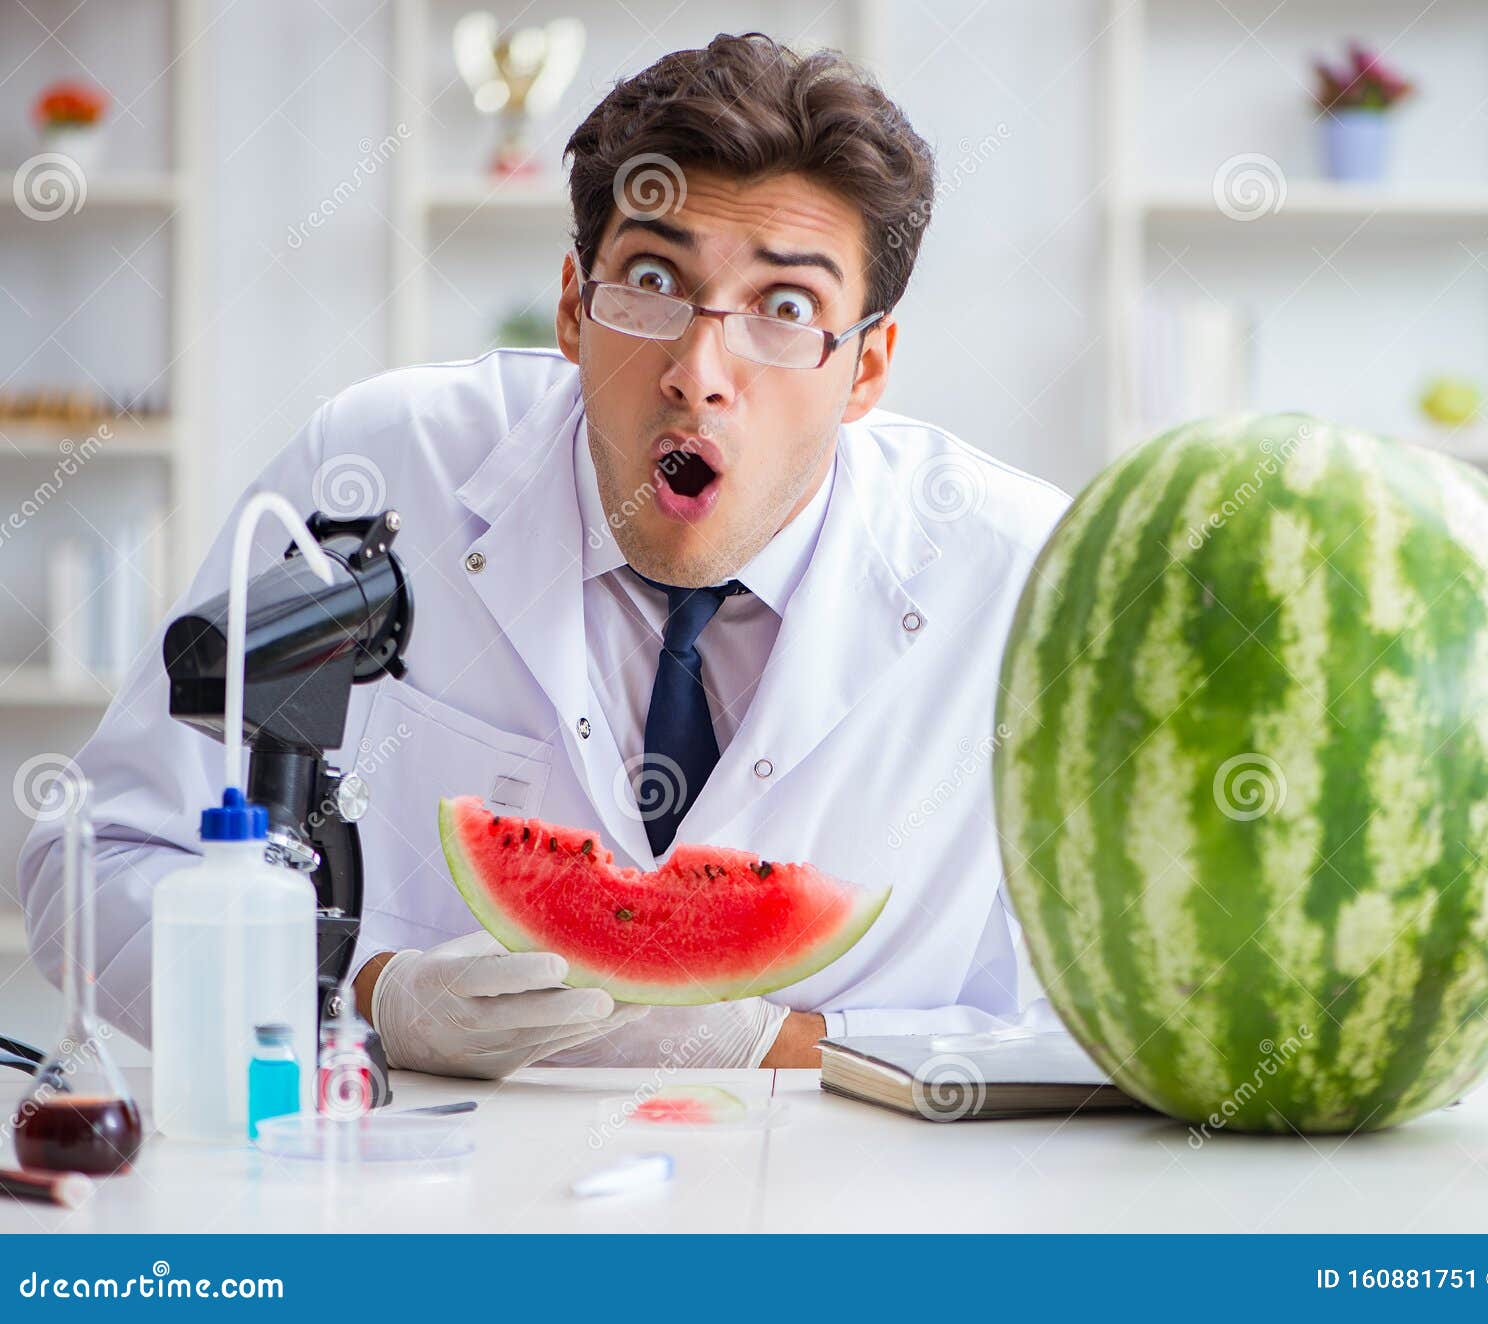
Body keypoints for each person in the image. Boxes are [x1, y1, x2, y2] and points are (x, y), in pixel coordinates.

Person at [17, 32, 1071, 1078]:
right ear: (574, 306)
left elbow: (1120, 1027)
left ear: (867, 365)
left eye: (785, 308)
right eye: (653, 280)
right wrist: (360, 993)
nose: (701, 370)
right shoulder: (379, 466)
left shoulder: (1028, 578)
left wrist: (799, 1047)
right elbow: (97, 859)